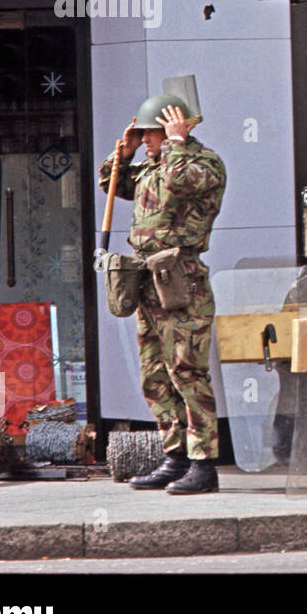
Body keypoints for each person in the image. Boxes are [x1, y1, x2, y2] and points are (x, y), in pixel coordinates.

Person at [99, 93, 226, 494]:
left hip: (180, 280)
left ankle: (204, 464)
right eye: (145, 134)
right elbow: (110, 182)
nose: (148, 140)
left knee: (187, 371)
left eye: (150, 133)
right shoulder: (150, 168)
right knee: (155, 374)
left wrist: (175, 143)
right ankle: (175, 456)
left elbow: (180, 181)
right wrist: (125, 150)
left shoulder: (202, 163)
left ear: (177, 127)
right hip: (147, 280)